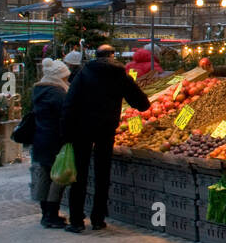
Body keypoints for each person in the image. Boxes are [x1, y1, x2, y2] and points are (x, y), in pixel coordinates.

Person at [61, 45, 149, 233]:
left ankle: (76, 220)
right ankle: (98, 219)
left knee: (80, 174)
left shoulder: (84, 73)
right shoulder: (119, 75)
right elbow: (142, 104)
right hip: (106, 130)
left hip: (81, 129)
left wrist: (66, 131)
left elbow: (70, 102)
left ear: (96, 56)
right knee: (103, 174)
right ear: (112, 56)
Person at [30, 58, 71, 228]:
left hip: (40, 139)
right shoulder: (58, 94)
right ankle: (52, 214)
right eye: (65, 78)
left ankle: (45, 212)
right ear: (58, 78)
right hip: (55, 140)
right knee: (58, 177)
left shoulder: (39, 90)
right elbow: (66, 116)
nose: (67, 81)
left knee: (45, 176)